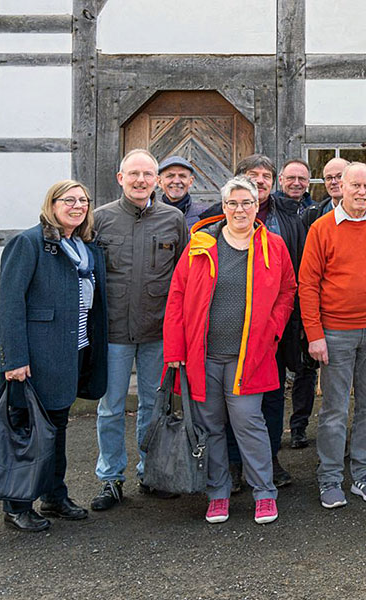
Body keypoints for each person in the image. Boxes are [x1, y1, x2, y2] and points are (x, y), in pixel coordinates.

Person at [163, 176, 296, 525]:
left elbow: (287, 291)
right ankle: (218, 493)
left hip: (248, 358)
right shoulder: (201, 244)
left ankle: (264, 493)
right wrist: (175, 348)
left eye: (247, 203)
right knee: (211, 428)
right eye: (233, 203)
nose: (240, 209)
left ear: (257, 206)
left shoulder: (274, 246)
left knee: (249, 424)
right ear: (223, 207)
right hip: (203, 356)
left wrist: (273, 330)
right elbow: (177, 297)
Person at [0, 180, 108, 532]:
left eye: (83, 200)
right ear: (52, 203)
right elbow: (10, 305)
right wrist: (14, 360)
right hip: (34, 357)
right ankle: (17, 505)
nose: (77, 206)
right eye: (68, 200)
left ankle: (54, 496)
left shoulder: (83, 245)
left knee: (55, 427)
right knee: (26, 431)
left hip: (72, 352)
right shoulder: (29, 243)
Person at [300, 163, 366, 508]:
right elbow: (307, 285)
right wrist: (314, 334)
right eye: (355, 186)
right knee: (333, 409)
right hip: (335, 332)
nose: (362, 192)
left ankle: (363, 473)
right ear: (340, 187)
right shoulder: (321, 228)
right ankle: (330, 477)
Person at [202, 154, 306, 489]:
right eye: (252, 175)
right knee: (228, 403)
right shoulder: (209, 223)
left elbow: (291, 281)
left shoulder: (287, 217)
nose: (260, 181)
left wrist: (276, 326)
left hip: (271, 332)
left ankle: (269, 460)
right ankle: (233, 464)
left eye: (265, 176)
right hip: (224, 338)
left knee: (270, 397)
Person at [91, 149, 187, 511]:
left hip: (157, 332)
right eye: (134, 174)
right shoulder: (99, 220)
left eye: (148, 174)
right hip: (113, 332)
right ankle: (111, 479)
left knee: (153, 406)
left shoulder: (173, 219)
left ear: (157, 180)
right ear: (120, 178)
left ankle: (151, 472)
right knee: (110, 408)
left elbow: (183, 279)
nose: (141, 181)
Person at [290, 156, 350, 449]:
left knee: (346, 381)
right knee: (306, 370)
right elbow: (306, 265)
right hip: (317, 308)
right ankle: (300, 426)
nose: (335, 182)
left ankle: (345, 436)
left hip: (346, 313)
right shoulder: (312, 214)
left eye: (340, 176)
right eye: (329, 178)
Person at [158, 155, 207, 227]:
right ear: (159, 182)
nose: (176, 181)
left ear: (190, 181)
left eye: (182, 176)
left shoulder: (204, 215)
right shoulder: (149, 215)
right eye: (170, 176)